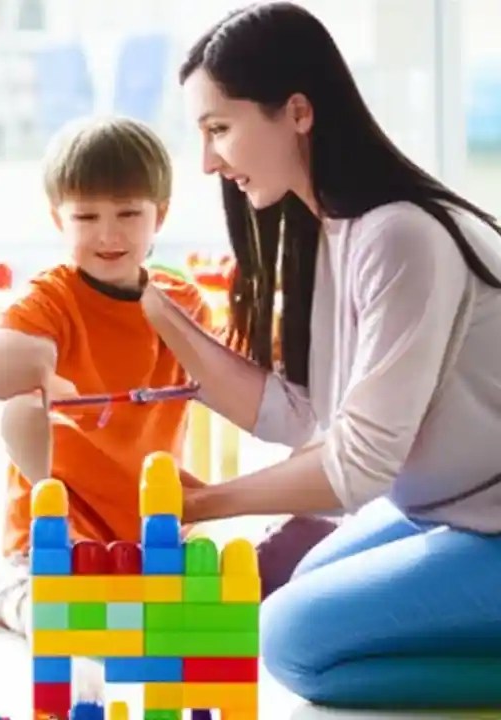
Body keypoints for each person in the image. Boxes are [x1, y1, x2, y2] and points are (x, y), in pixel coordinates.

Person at [153, 1, 501, 708]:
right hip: (447, 509)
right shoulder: (330, 233)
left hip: (483, 518)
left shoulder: (401, 237)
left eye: (219, 129)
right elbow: (301, 416)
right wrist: (158, 314)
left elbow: (360, 464)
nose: (207, 161)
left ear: (299, 113)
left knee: (292, 638)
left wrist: (211, 501)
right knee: (301, 591)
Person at [0, 116, 212, 638]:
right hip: (56, 540)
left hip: (152, 534)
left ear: (159, 216)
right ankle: (19, 595)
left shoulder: (182, 302)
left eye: (128, 213)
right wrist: (42, 371)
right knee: (21, 405)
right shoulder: (53, 297)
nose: (108, 233)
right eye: (87, 216)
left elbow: (237, 380)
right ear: (60, 221)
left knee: (214, 591)